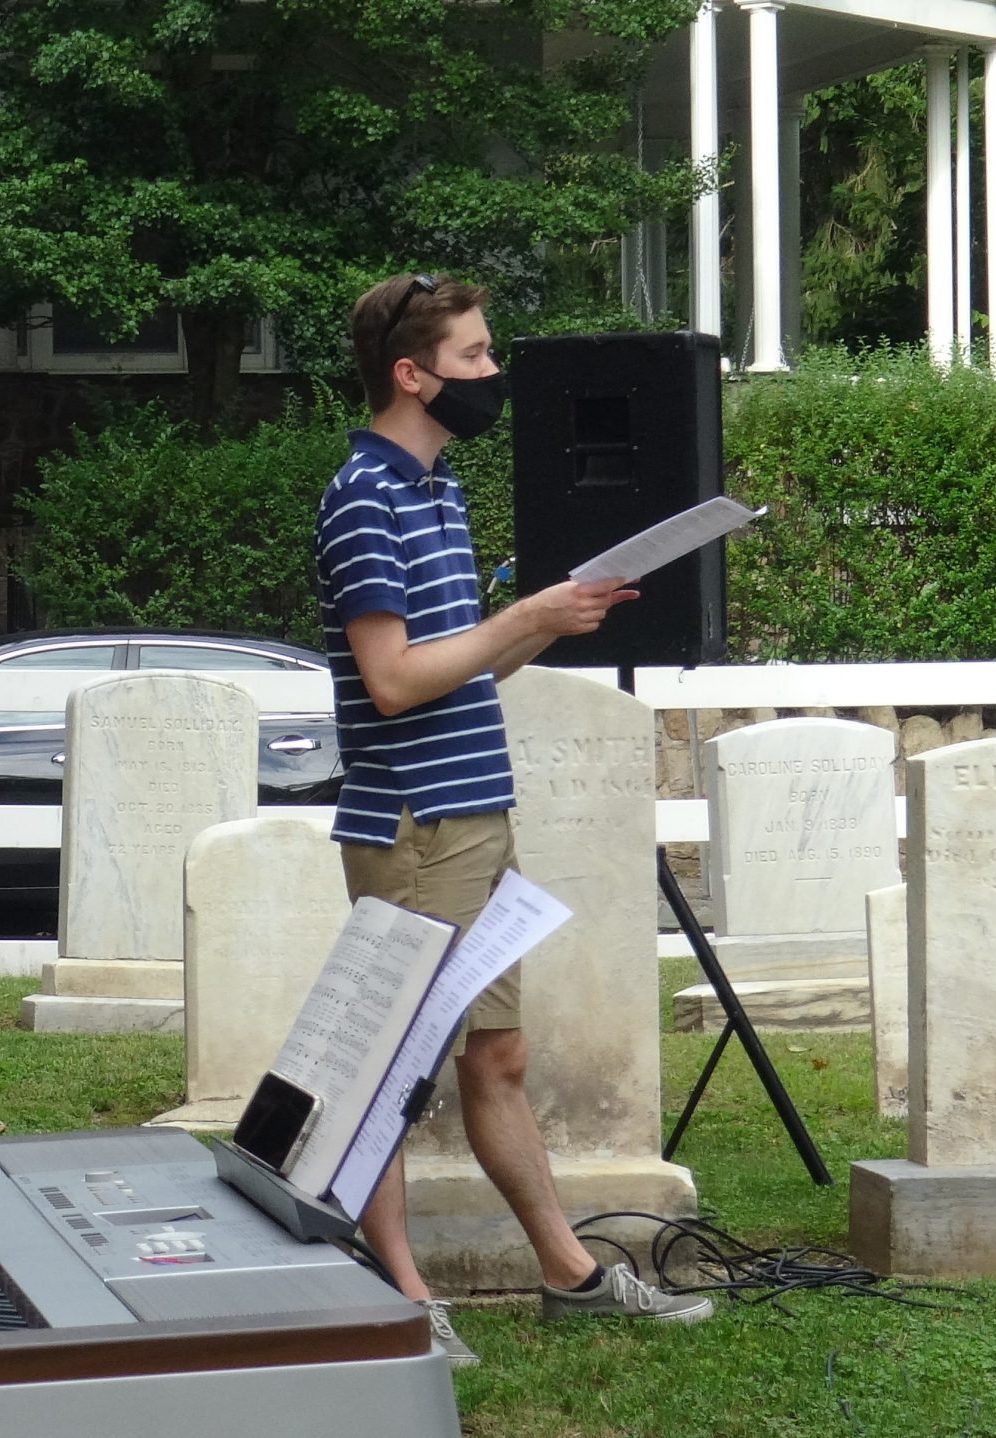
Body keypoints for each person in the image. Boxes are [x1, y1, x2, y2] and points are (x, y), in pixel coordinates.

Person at [314, 274, 716, 1366]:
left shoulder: (437, 489)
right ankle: (402, 1300)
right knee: (390, 1074)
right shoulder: (364, 495)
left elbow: (465, 669)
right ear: (412, 374)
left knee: (496, 1056)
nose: (494, 374)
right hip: (415, 827)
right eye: (476, 356)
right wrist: (524, 613)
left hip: (474, 814)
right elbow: (392, 681)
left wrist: (555, 619)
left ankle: (570, 1275)